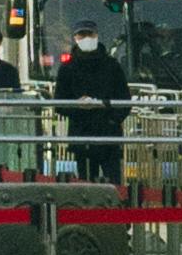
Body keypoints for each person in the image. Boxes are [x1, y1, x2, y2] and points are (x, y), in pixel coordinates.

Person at [49, 22, 131, 184]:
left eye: (90, 35)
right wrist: (77, 106)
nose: (86, 39)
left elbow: (124, 100)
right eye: (82, 35)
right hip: (82, 134)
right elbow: (59, 103)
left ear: (96, 36)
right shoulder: (67, 68)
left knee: (114, 185)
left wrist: (111, 116)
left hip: (109, 136)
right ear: (75, 39)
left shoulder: (112, 66)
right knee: (86, 185)